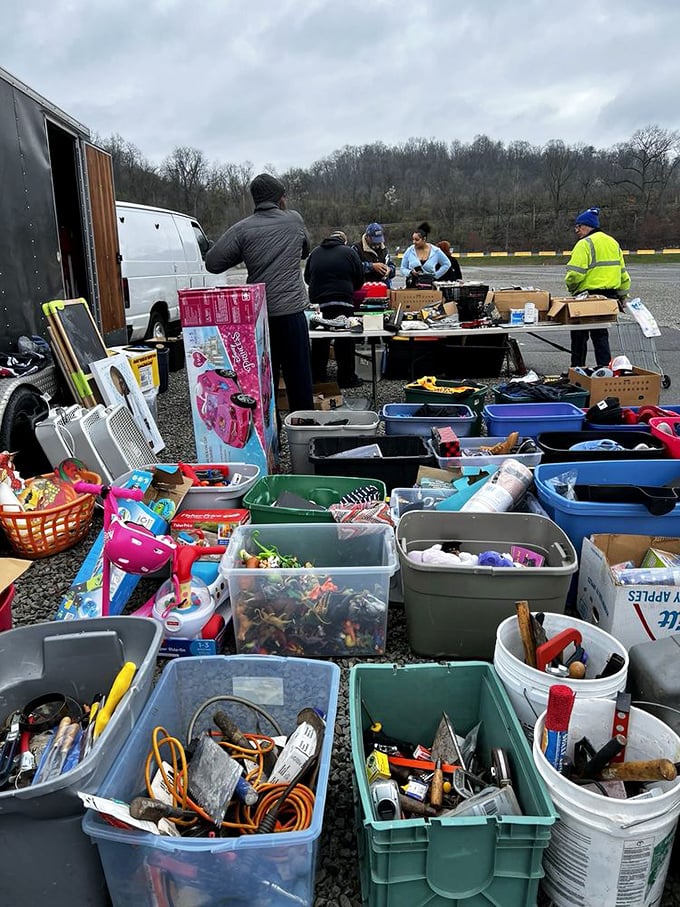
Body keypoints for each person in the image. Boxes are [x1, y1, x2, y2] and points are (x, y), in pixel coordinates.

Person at [205, 172, 314, 414]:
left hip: (259, 317)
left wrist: (243, 252)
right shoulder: (294, 220)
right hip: (293, 313)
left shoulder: (242, 229)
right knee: (300, 380)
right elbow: (305, 250)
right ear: (280, 198)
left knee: (265, 383)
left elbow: (212, 263)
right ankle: (305, 430)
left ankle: (269, 433)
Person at [565, 206, 631, 368]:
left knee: (579, 336)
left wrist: (572, 289)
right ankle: (604, 369)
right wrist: (622, 297)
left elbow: (574, 274)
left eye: (578, 226)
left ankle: (577, 369)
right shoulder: (613, 243)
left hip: (587, 298)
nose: (576, 230)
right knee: (601, 335)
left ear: (587, 226)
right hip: (608, 298)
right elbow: (623, 275)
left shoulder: (584, 244)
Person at [304, 231, 364, 388]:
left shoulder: (315, 252)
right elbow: (359, 279)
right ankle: (346, 378)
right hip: (343, 301)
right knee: (345, 339)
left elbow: (307, 278)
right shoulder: (349, 252)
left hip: (320, 303)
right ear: (344, 241)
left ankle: (318, 377)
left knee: (320, 339)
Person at [352, 222, 396, 288]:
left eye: (379, 241)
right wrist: (371, 266)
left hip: (383, 288)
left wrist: (389, 270)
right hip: (363, 288)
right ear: (367, 237)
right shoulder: (356, 248)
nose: (377, 244)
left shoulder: (384, 249)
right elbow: (353, 267)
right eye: (374, 241)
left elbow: (392, 266)